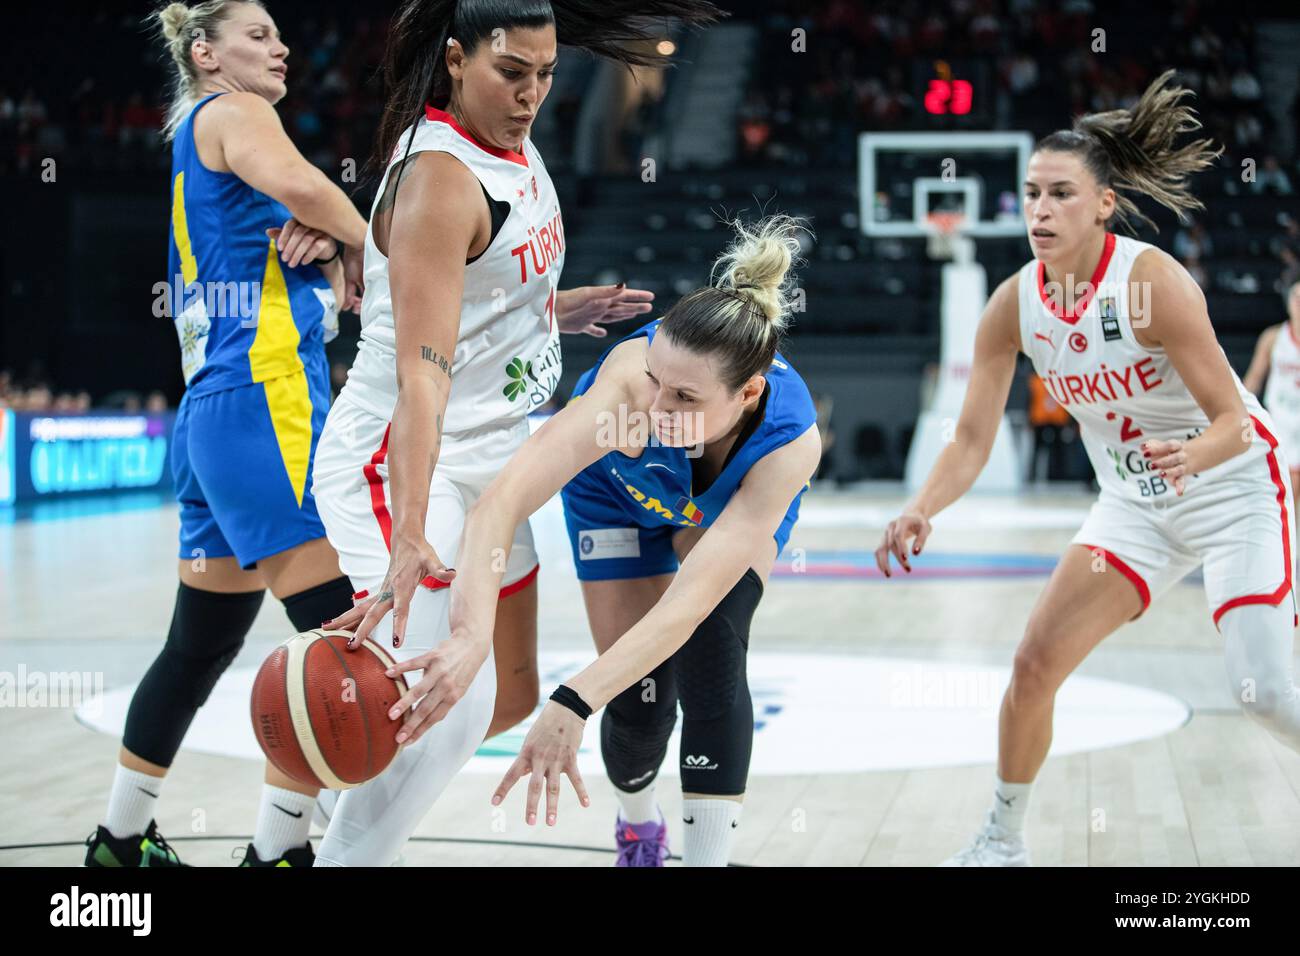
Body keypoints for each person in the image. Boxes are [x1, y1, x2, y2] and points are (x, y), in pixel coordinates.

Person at [308, 0, 721, 867]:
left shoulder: (514, 144)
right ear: (457, 61)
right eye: (510, 73)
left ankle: (314, 788)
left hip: (496, 458)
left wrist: (550, 311)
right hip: (405, 459)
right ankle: (321, 843)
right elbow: (422, 374)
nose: (531, 93)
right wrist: (413, 528)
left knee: (507, 694)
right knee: (443, 704)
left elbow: (483, 286)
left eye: (545, 75)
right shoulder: (439, 181)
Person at [875, 71, 1300, 866]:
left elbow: (1238, 422)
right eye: (1031, 194)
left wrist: (1194, 455)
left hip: (1233, 486)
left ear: (1103, 203)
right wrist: (922, 507)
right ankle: (1001, 843)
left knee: (1268, 695)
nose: (1039, 209)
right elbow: (969, 440)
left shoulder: (1151, 284)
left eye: (1061, 193)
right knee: (1034, 664)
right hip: (1135, 505)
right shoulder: (1014, 305)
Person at [336, 216, 821, 867]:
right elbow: (497, 506)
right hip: (615, 500)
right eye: (654, 379)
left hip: (712, 511)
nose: (654, 408)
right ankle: (638, 823)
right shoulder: (621, 396)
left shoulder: (787, 446)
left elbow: (687, 606)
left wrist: (571, 701)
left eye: (683, 397)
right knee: (640, 705)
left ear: (749, 393)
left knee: (713, 654)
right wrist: (471, 633)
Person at [85, 0, 368, 868]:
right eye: (258, 35)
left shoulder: (194, 138)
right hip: (265, 404)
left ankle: (119, 842)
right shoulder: (237, 112)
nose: (281, 47)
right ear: (205, 55)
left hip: (213, 414)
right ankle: (280, 852)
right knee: (341, 637)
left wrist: (322, 257)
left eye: (281, 36)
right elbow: (310, 190)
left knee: (199, 646)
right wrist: (361, 243)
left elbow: (281, 230)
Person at [1242, 278, 1300, 528]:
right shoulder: (1274, 337)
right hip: (1282, 423)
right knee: (1287, 490)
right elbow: (1253, 380)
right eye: (1296, 297)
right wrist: (1236, 412)